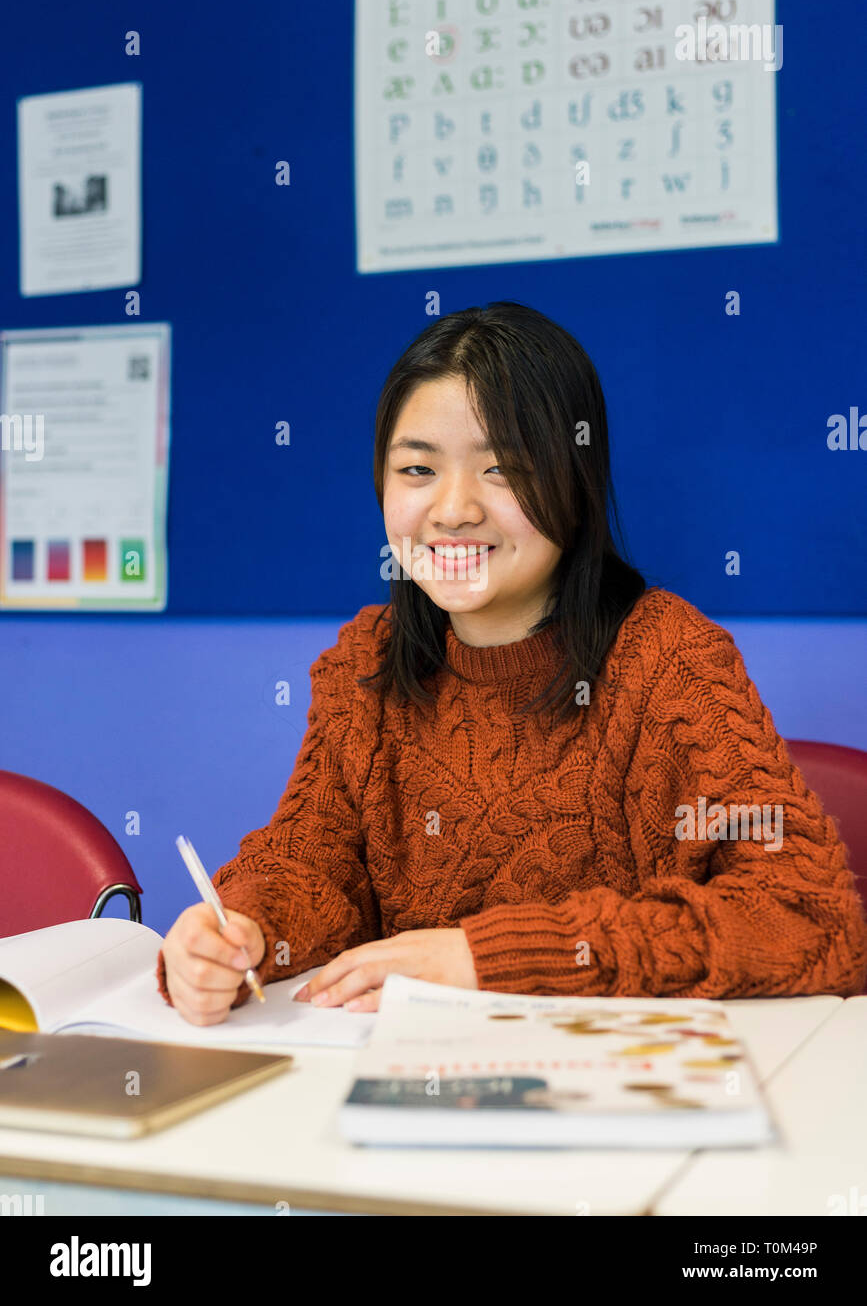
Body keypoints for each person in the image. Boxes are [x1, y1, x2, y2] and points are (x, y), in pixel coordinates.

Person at [157, 302, 867, 1025]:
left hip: (617, 1097)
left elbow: (811, 922)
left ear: (573, 479)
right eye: (416, 468)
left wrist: (489, 958)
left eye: (502, 468)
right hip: (404, 1091)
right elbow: (310, 870)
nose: (453, 508)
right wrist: (242, 933)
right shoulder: (363, 664)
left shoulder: (667, 659)